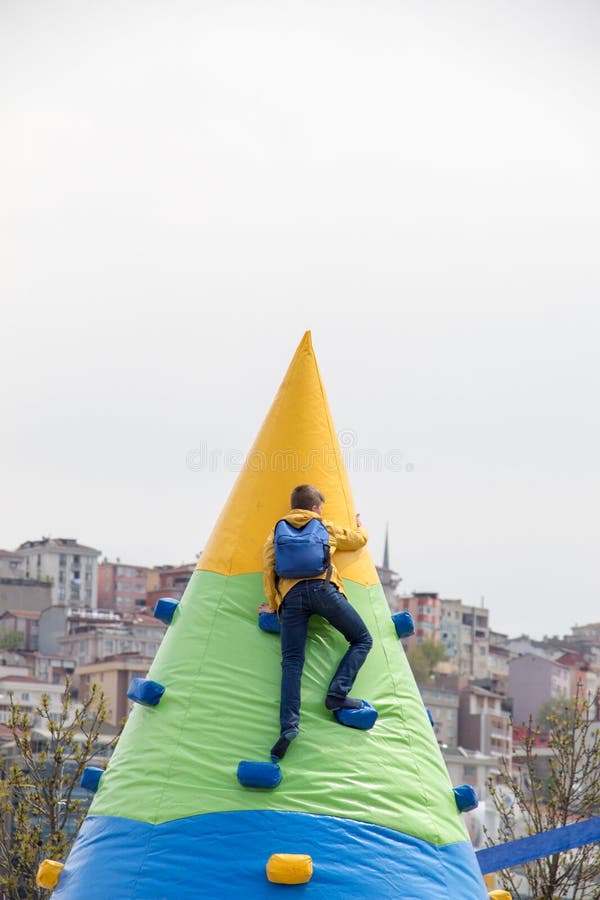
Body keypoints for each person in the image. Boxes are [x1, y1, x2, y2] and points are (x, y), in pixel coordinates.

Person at [260, 484, 373, 762]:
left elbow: (268, 567)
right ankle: (337, 694)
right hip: (323, 590)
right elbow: (356, 540)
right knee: (362, 639)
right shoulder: (323, 526)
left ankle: (289, 727)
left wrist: (274, 604)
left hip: (291, 597)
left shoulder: (277, 530)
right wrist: (361, 527)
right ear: (314, 507)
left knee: (292, 663)